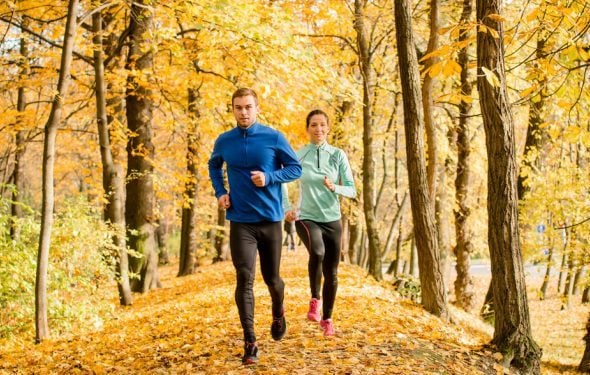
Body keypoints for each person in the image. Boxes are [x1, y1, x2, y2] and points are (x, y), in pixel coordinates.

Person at [208, 88, 302, 365]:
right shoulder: (224, 141)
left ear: (257, 108)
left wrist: (270, 177)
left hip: (271, 220)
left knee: (272, 279)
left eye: (248, 107)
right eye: (238, 107)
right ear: (233, 109)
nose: (243, 112)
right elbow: (214, 166)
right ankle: (250, 341)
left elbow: (295, 168)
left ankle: (278, 311)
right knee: (244, 277)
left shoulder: (273, 137)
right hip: (241, 221)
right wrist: (220, 191)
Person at [285, 109, 356, 337]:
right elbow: (281, 180)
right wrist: (287, 207)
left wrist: (335, 187)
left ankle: (327, 319)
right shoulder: (299, 155)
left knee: (332, 272)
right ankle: (315, 299)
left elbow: (352, 189)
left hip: (332, 219)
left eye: (322, 125)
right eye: (314, 125)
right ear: (307, 129)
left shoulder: (337, 155)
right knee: (317, 252)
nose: (318, 129)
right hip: (306, 217)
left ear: (328, 128)